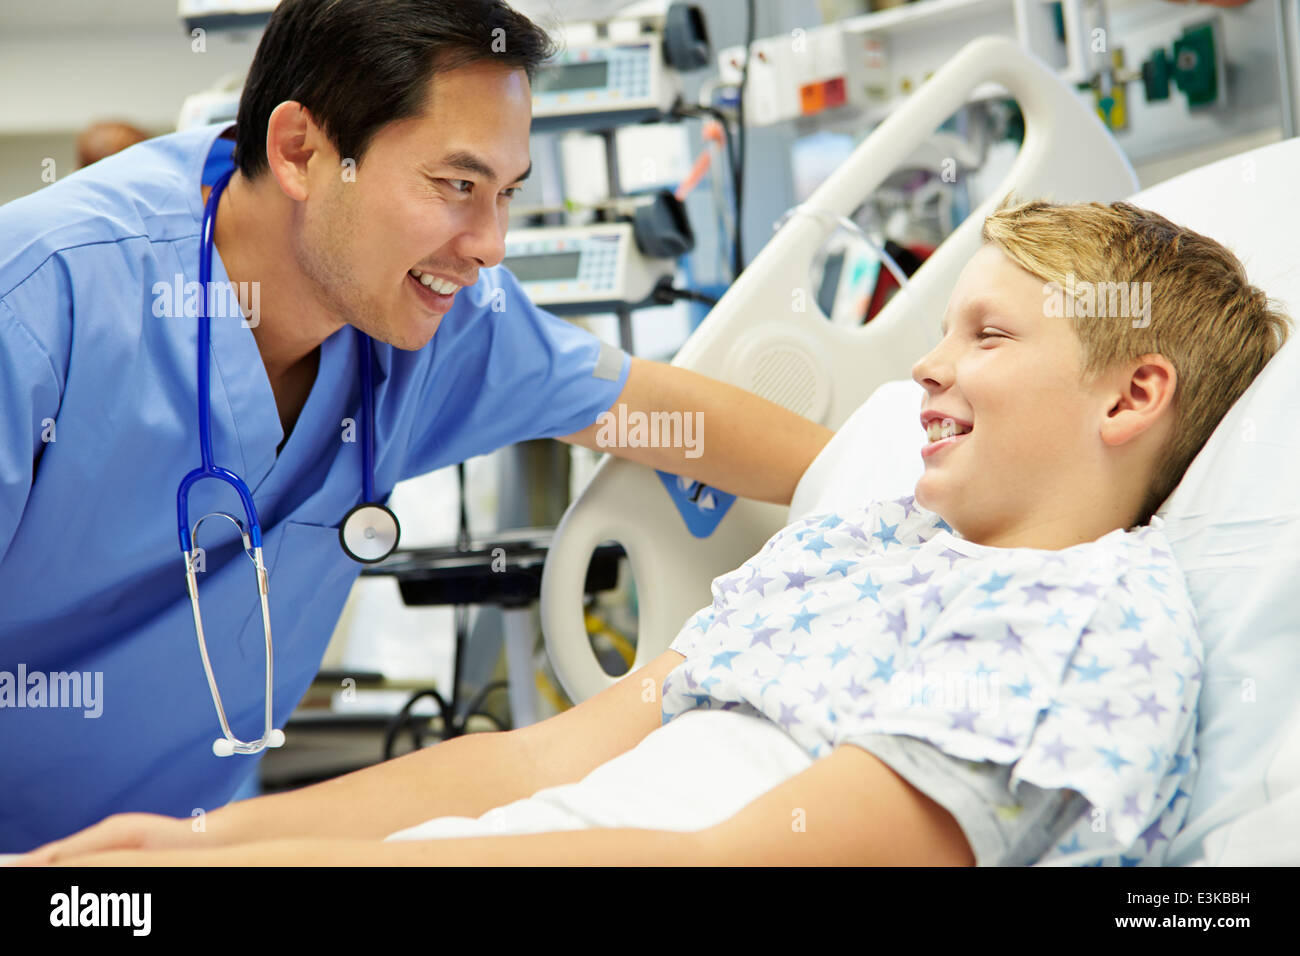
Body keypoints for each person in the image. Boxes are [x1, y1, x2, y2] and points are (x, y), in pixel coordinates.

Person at [20, 196, 1291, 866]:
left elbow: (741, 863)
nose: (922, 372)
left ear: (1131, 397)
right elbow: (537, 763)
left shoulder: (1071, 626)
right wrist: (210, 839)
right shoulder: (854, 548)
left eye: (987, 336)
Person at [0, 0, 835, 853]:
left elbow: (661, 415)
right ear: (302, 152)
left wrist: (884, 500)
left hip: (188, 845)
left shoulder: (438, 323)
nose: (491, 245)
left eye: (506, 195)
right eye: (457, 186)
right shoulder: (40, 303)